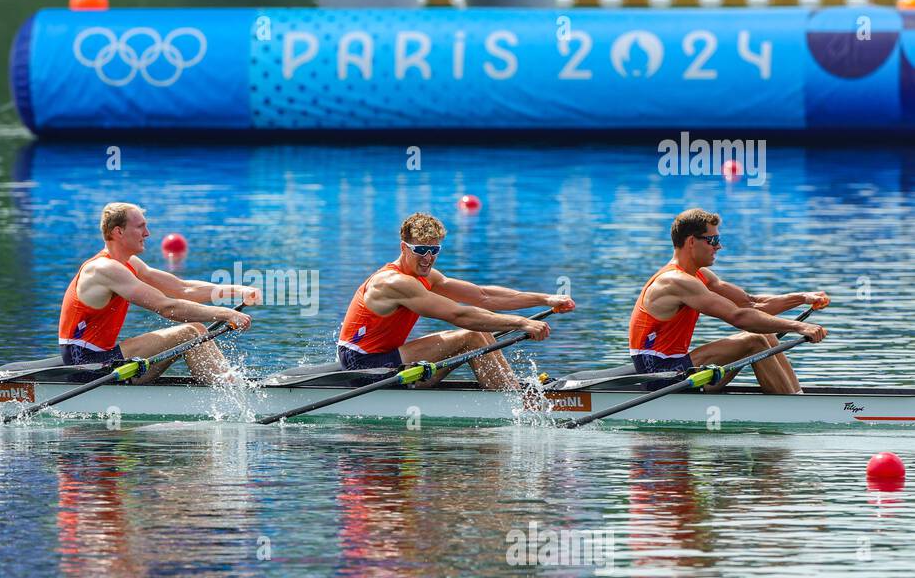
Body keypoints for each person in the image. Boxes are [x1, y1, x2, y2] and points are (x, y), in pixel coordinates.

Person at [336, 212, 573, 389]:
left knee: (482, 333)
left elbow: (483, 296)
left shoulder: (425, 275)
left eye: (434, 250)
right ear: (404, 248)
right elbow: (458, 315)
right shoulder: (393, 282)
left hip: (385, 357)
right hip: (364, 368)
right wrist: (521, 323)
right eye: (420, 250)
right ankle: (513, 400)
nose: (428, 258)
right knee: (470, 334)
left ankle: (511, 389)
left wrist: (545, 298)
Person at [629, 208, 828, 393]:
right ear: (691, 242)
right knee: (754, 340)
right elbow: (738, 316)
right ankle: (794, 408)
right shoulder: (675, 281)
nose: (719, 246)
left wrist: (802, 298)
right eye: (713, 239)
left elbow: (751, 304)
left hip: (678, 367)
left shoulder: (700, 276)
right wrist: (799, 327)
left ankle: (797, 396)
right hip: (661, 376)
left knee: (765, 335)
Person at [58, 203, 260, 384]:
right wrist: (226, 314)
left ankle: (229, 383)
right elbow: (166, 307)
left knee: (197, 330)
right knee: (188, 333)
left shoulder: (129, 263)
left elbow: (182, 289)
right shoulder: (103, 269)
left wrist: (237, 291)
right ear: (118, 232)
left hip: (103, 358)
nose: (147, 233)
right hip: (85, 366)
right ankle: (227, 394)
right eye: (140, 227)